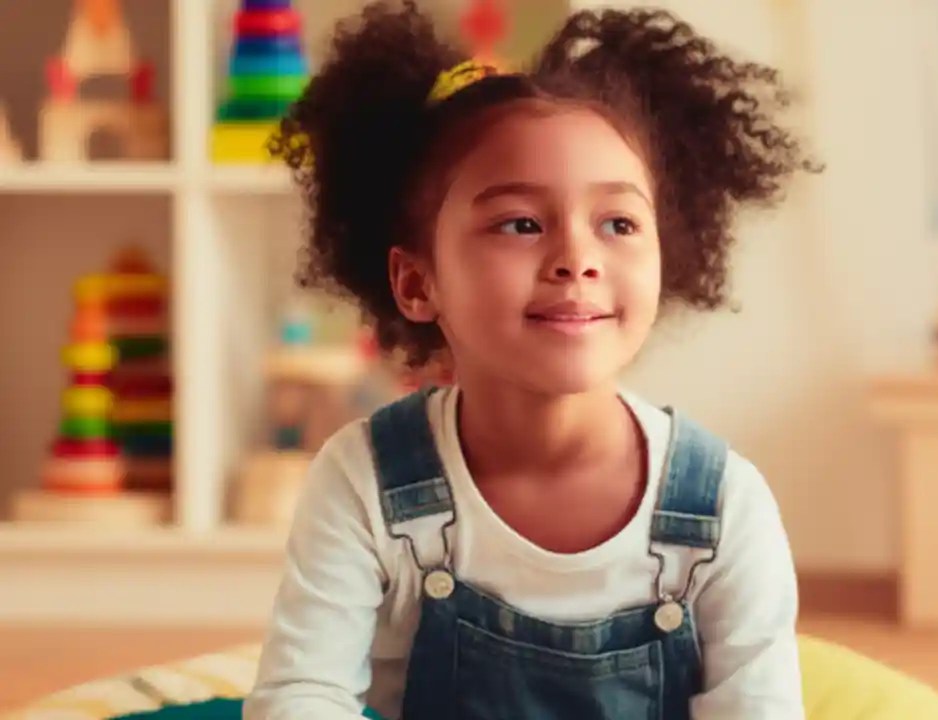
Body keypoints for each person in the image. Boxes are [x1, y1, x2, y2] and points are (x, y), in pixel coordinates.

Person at [246, 2, 819, 718]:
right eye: (520, 223)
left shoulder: (724, 506)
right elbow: (303, 694)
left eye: (617, 223)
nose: (577, 259)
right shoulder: (363, 481)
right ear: (417, 284)